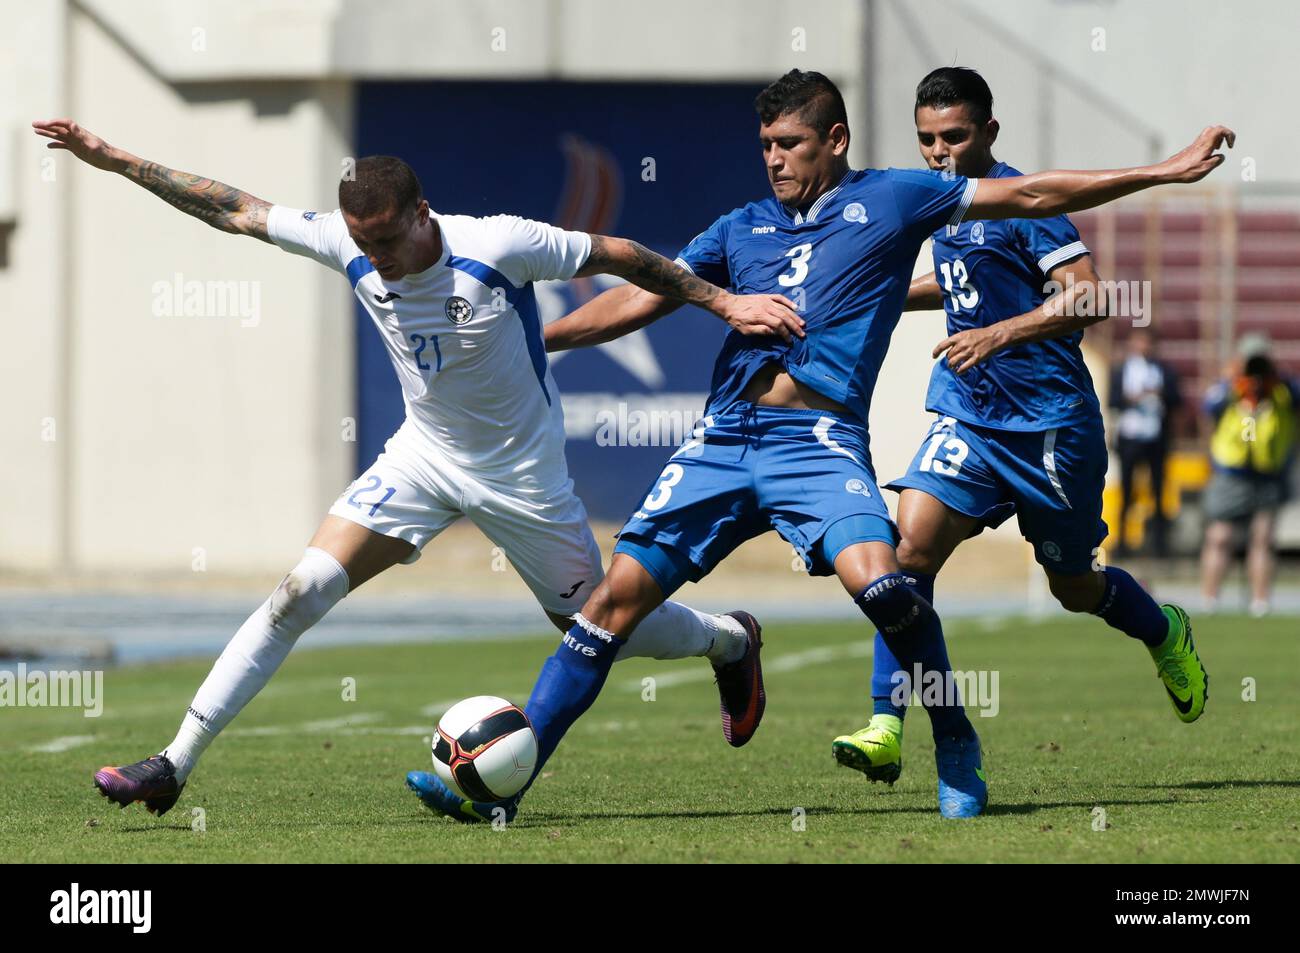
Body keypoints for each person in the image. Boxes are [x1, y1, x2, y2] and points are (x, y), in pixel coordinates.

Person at [408, 68, 1233, 822]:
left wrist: (1162, 171)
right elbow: (643, 300)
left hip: (822, 441)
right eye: (765, 145)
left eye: (790, 144)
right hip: (725, 436)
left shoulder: (897, 199)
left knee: (891, 585)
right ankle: (504, 792)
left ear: (834, 141)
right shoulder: (741, 227)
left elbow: (1034, 195)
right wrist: (536, 343)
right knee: (611, 604)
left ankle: (954, 740)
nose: (774, 159)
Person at [32, 117, 804, 817]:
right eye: (363, 244)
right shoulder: (349, 241)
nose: (377, 259)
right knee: (298, 590)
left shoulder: (497, 244)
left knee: (595, 627)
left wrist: (723, 303)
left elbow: (623, 254)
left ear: (422, 212)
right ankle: (174, 760)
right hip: (422, 458)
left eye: (387, 241)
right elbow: (235, 208)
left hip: (525, 481)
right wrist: (116, 160)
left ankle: (729, 639)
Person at [836, 68, 1211, 796]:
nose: (940, 152)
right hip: (968, 420)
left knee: (1073, 586)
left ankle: (1164, 631)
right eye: (927, 140)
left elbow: (1090, 295)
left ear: (989, 133)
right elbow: (957, 282)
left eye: (955, 136)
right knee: (905, 548)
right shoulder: (940, 206)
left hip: (1049, 428)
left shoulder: (1028, 205)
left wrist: (999, 334)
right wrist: (862, 302)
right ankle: (887, 723)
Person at [1200, 337, 1298, 617]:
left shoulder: (1282, 390)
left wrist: (1277, 379)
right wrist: (1234, 381)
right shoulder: (1230, 389)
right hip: (1231, 473)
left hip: (1268, 474)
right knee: (1219, 536)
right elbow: (1209, 408)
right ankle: (1209, 601)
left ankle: (1260, 602)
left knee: (1263, 538)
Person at [1110, 326, 1181, 556]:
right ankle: (1122, 542)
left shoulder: (1163, 370)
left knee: (1158, 491)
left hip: (1156, 438)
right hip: (1130, 437)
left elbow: (1176, 400)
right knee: (1127, 490)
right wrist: (1131, 399)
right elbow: (1113, 401)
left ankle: (1160, 544)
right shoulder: (1121, 370)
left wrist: (1159, 394)